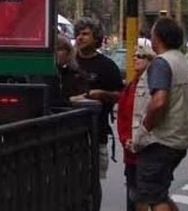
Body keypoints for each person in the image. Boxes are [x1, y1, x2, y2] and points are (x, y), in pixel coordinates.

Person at [133, 17, 188, 211]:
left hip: (160, 140)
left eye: (152, 33)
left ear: (158, 37)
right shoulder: (182, 61)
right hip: (178, 138)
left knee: (151, 197)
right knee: (159, 193)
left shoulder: (161, 63)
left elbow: (158, 102)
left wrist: (143, 130)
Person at [72, 17, 124, 211]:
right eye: (78, 34)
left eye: (85, 34)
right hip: (67, 135)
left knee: (92, 182)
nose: (80, 38)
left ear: (97, 38)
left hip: (97, 133)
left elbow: (120, 95)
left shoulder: (107, 66)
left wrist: (103, 95)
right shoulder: (69, 62)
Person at [117, 44, 155, 211]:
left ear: (150, 60)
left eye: (140, 56)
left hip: (142, 147)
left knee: (145, 195)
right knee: (134, 193)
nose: (135, 59)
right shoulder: (133, 84)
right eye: (134, 56)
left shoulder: (150, 85)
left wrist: (137, 139)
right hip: (129, 148)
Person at [52, 33, 88, 108]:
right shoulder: (44, 74)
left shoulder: (76, 74)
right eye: (53, 49)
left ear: (68, 52)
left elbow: (84, 95)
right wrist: (69, 100)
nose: (55, 53)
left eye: (59, 49)